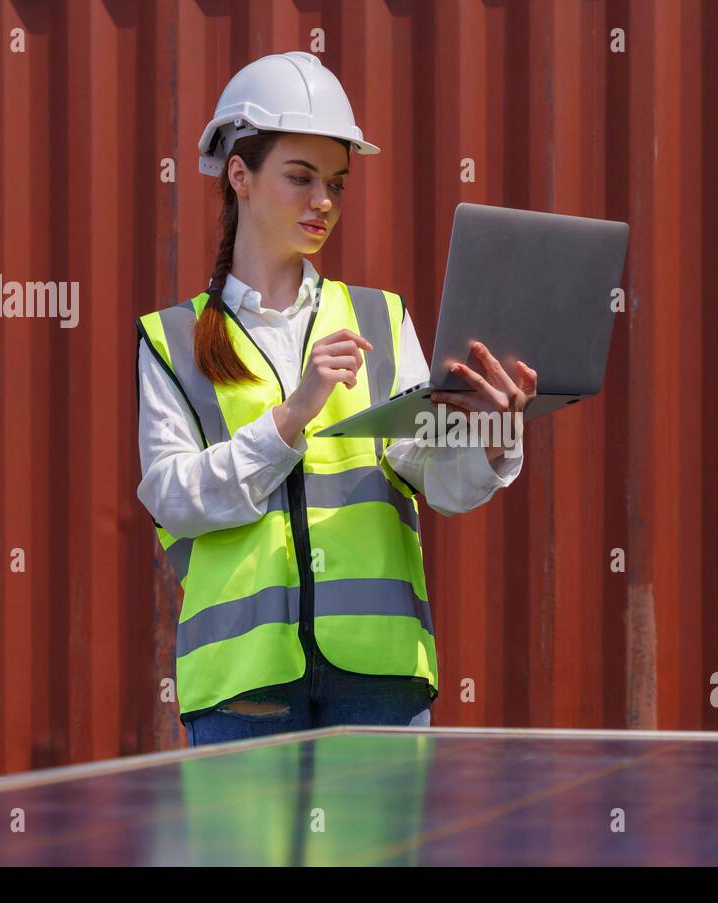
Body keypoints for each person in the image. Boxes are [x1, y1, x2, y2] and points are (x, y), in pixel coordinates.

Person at [135, 52, 538, 747]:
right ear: (241, 176)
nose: (323, 201)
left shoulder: (381, 319)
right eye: (300, 177)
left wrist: (489, 439)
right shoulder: (171, 340)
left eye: (336, 184)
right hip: (241, 685)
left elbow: (435, 481)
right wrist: (291, 417)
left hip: (380, 682)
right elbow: (171, 498)